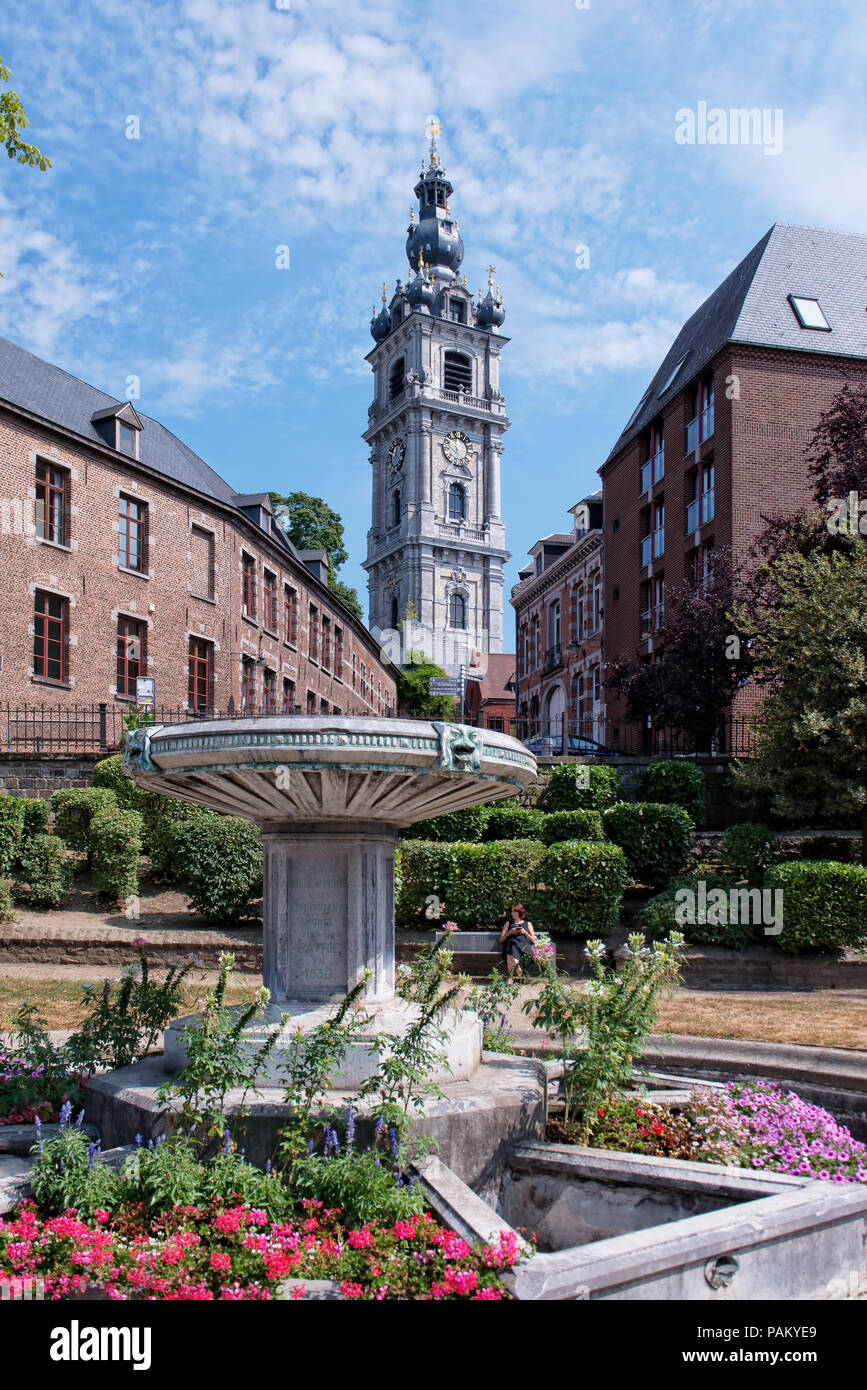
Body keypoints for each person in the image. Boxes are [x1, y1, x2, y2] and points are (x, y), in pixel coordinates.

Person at [499, 902, 536, 974]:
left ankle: (511, 976)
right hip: (511, 946)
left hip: (524, 947)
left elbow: (533, 941)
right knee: (512, 944)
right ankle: (516, 964)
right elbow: (501, 940)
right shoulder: (508, 923)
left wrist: (525, 932)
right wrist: (510, 932)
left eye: (514, 911)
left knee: (510, 952)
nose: (512, 913)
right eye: (511, 911)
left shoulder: (528, 924)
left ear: (520, 912)